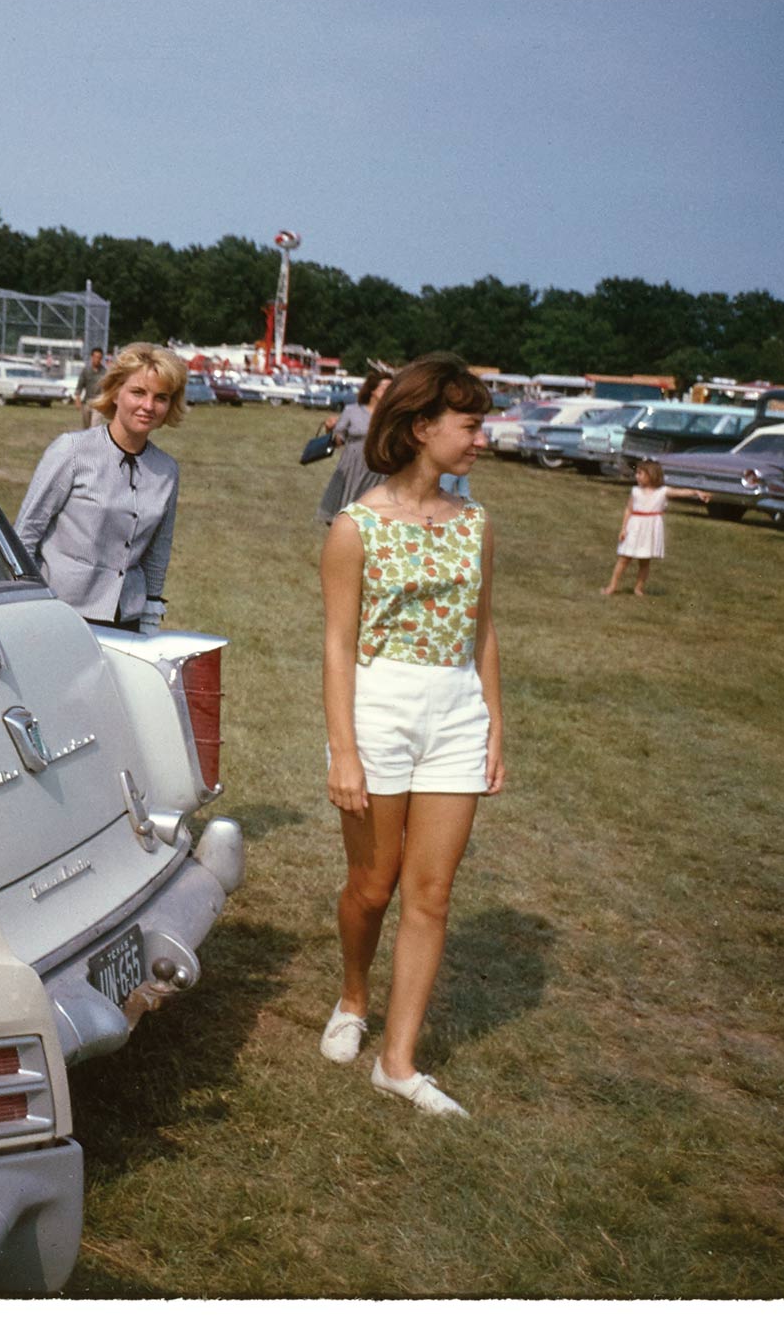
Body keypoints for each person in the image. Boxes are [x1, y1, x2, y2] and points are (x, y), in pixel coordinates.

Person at [318, 353, 502, 1119]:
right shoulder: (355, 528)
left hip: (456, 707)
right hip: (379, 703)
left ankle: (398, 1061)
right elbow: (335, 643)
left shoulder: (478, 523)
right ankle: (353, 995)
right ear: (423, 427)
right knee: (373, 883)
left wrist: (495, 725)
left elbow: (483, 628)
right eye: (470, 424)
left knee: (431, 892)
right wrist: (346, 749)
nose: (481, 439)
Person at [14, 342, 184, 632]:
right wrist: (25, 600)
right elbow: (26, 532)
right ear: (116, 392)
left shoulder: (167, 470)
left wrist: (151, 608)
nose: (148, 406)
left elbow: (159, 549)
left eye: (161, 397)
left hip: (126, 618)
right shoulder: (72, 451)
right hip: (60, 612)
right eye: (138, 392)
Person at [601, 458, 710, 597]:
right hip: (635, 526)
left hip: (650, 528)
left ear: (651, 475)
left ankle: (639, 588)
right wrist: (623, 528)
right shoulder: (635, 491)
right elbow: (628, 510)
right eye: (637, 473)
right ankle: (612, 586)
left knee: (645, 560)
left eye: (641, 473)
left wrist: (696, 492)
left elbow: (680, 492)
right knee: (624, 558)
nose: (637, 476)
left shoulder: (662, 492)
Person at [315, 371, 388, 525]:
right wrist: (330, 430)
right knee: (345, 514)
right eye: (385, 388)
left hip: (378, 471)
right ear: (373, 390)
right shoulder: (352, 410)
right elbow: (338, 440)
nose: (390, 392)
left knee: (371, 516)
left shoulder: (390, 415)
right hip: (353, 466)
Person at [76, 346, 107, 427]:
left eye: (99, 358)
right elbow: (79, 386)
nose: (97, 359)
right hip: (87, 402)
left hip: (98, 403)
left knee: (94, 426)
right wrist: (77, 399)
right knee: (86, 427)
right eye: (95, 357)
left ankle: (94, 439)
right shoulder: (86, 371)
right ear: (92, 357)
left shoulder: (105, 372)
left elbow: (108, 388)